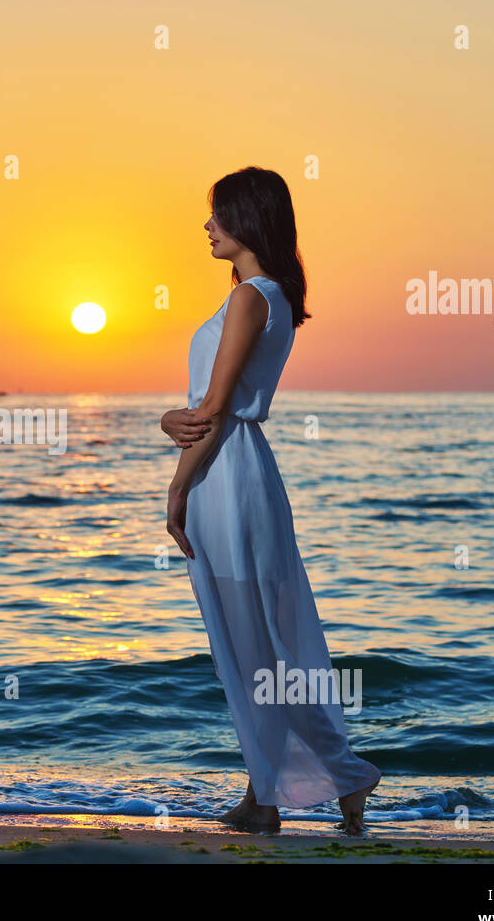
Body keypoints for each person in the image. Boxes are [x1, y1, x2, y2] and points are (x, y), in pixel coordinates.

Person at [161, 166, 381, 834]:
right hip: (235, 469)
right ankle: (269, 794)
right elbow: (210, 408)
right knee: (253, 646)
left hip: (228, 476)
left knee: (258, 646)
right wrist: (177, 421)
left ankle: (327, 778)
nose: (206, 225)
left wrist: (175, 487)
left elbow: (217, 408)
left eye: (216, 213)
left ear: (246, 219)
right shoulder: (267, 296)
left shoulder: (251, 299)